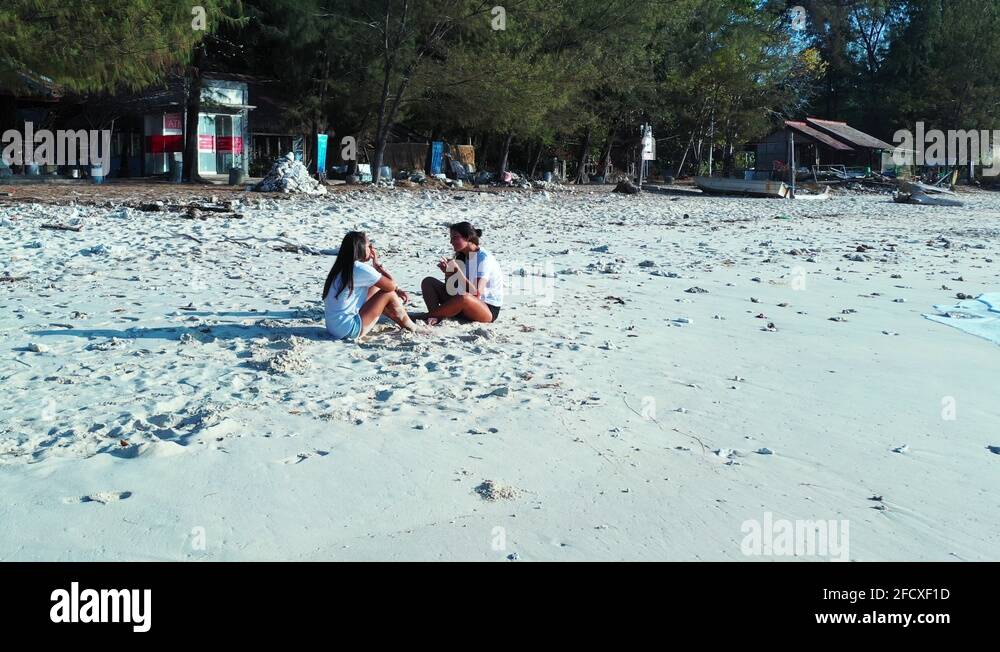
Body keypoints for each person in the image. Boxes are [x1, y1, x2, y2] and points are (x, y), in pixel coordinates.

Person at [322, 231, 419, 340]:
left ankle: (398, 316)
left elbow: (382, 284)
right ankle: (412, 327)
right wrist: (378, 266)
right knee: (389, 294)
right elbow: (391, 286)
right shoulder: (359, 268)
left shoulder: (342, 267)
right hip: (348, 330)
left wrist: (397, 289)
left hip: (333, 328)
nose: (372, 249)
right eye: (369, 246)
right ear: (361, 247)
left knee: (377, 286)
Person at [420, 222, 503, 326]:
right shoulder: (463, 255)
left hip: (486, 308)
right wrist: (448, 273)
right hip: (463, 302)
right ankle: (435, 316)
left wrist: (457, 271)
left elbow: (476, 293)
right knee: (428, 282)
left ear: (468, 237)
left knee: (464, 298)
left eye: (455, 237)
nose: (451, 242)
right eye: (451, 238)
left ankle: (429, 315)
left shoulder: (483, 259)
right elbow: (452, 289)